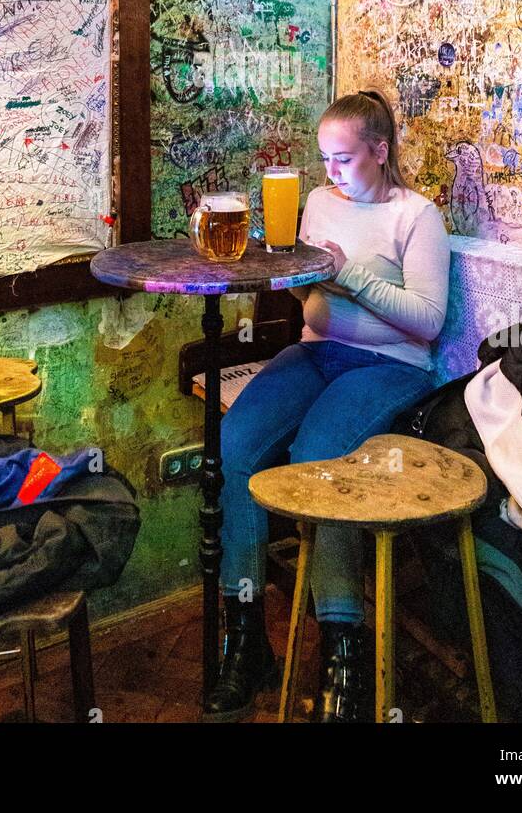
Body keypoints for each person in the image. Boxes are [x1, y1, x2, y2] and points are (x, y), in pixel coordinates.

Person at [207, 88, 451, 722]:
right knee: (236, 443)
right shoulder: (317, 201)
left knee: (319, 459)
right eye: (324, 159)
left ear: (379, 150)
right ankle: (246, 635)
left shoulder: (416, 216)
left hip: (391, 366)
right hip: (317, 352)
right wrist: (286, 271)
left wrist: (352, 277)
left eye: (342, 159)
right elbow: (309, 291)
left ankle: (344, 648)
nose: (330, 173)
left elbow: (427, 322)